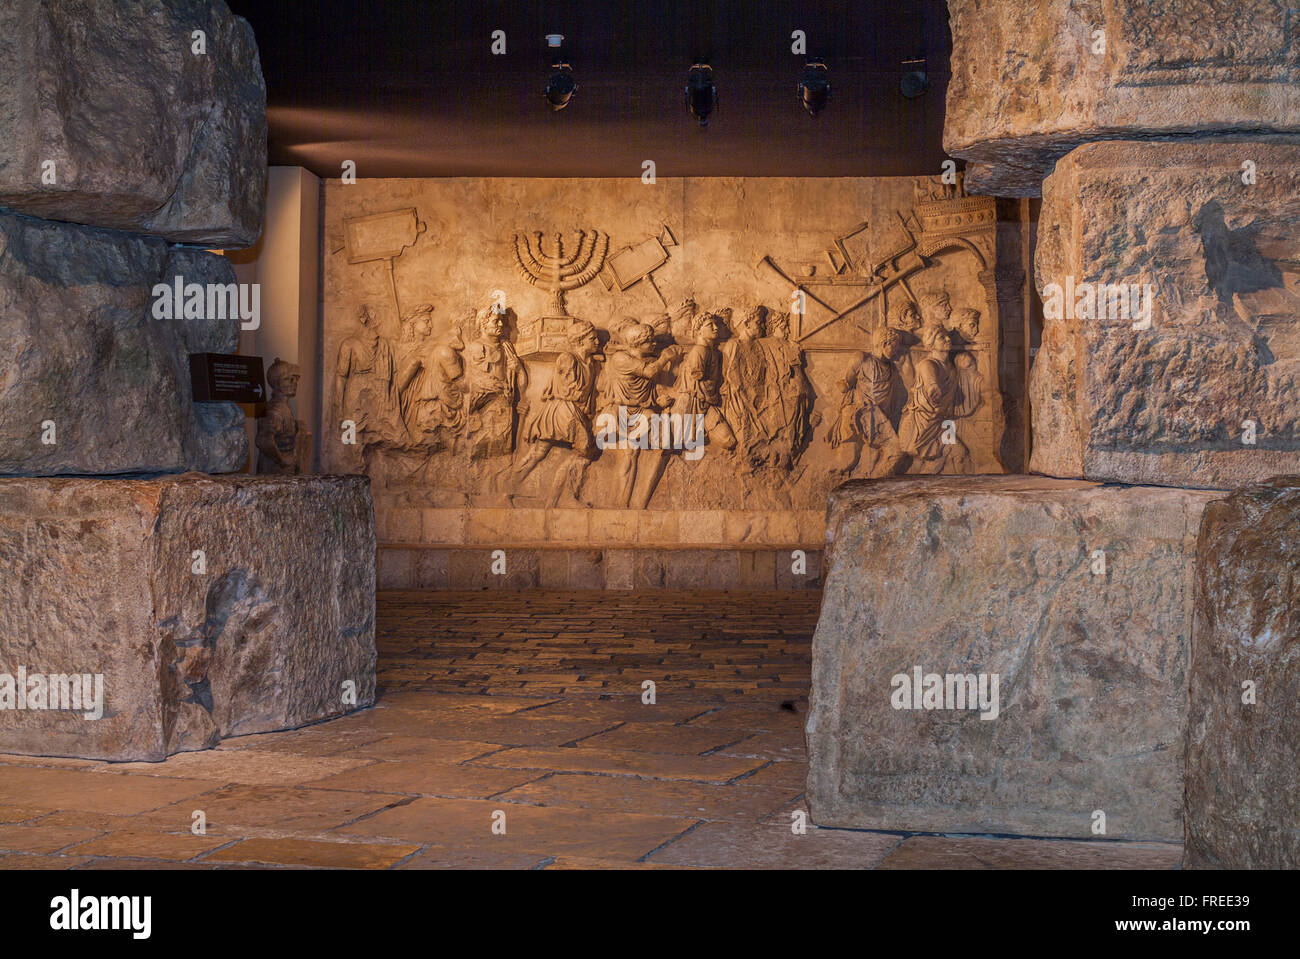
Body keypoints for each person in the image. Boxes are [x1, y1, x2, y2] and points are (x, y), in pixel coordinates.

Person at [513, 319, 602, 506]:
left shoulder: (591, 364)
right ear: (580, 341)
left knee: (539, 453)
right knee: (581, 451)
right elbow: (565, 389)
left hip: (575, 412)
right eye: (592, 339)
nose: (597, 342)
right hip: (563, 411)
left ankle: (556, 497)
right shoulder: (568, 358)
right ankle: (512, 486)